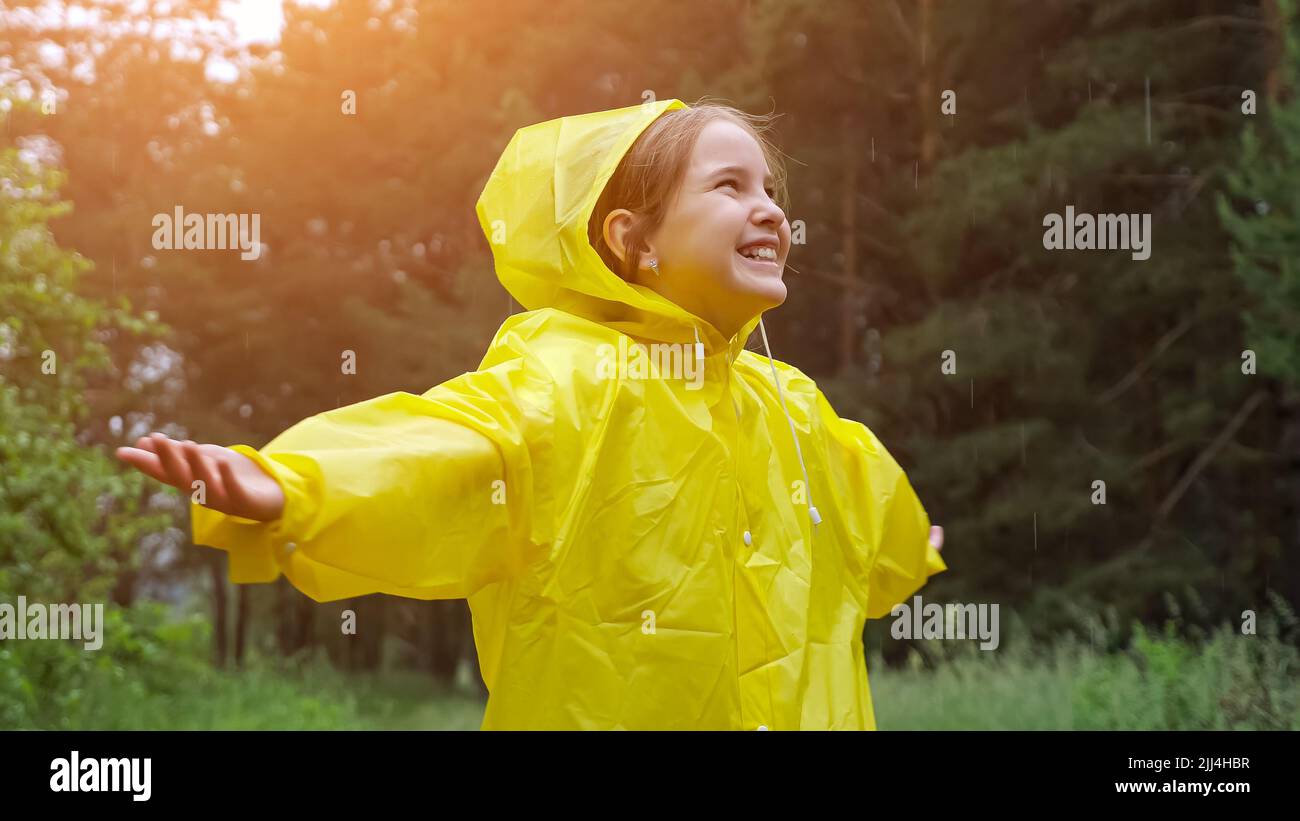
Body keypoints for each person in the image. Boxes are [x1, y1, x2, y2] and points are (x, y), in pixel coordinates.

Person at [116, 97, 947, 730]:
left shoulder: (792, 406)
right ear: (634, 240)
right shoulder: (572, 377)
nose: (770, 208)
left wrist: (912, 544)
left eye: (770, 188)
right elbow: (455, 447)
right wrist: (293, 485)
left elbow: (866, 514)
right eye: (730, 186)